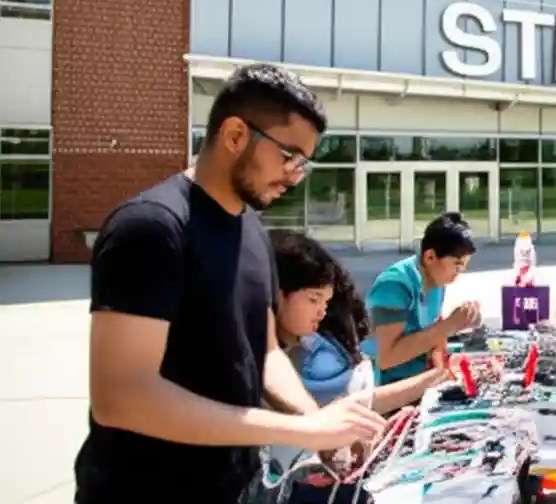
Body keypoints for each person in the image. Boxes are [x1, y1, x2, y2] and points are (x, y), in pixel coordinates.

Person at [74, 64, 385, 504]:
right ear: (235, 135)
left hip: (240, 485)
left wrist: (318, 423)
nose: (296, 176)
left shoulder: (252, 231)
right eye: (289, 156)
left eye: (304, 163)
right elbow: (122, 396)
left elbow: (265, 350)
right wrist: (301, 429)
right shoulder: (152, 227)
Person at [270, 230, 452, 504]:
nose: (321, 311)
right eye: (313, 299)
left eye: (326, 302)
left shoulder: (307, 344)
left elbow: (357, 404)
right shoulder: (299, 356)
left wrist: (435, 378)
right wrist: (327, 435)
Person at [368, 212, 483, 385]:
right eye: (457, 264)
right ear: (430, 257)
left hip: (420, 380)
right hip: (389, 390)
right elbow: (385, 358)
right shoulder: (394, 285)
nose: (460, 272)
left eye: (464, 266)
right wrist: (449, 326)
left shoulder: (436, 281)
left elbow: (433, 337)